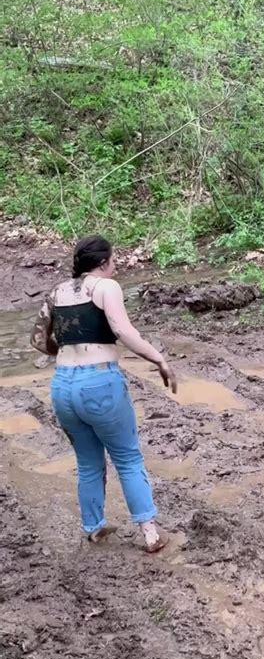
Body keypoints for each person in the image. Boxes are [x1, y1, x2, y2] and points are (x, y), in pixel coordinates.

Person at [30, 235, 177, 553]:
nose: (116, 266)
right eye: (113, 260)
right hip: (99, 383)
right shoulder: (106, 287)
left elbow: (39, 339)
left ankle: (94, 527)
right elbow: (124, 331)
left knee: (87, 462)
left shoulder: (57, 292)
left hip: (62, 386)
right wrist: (159, 359)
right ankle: (150, 532)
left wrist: (68, 351)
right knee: (127, 457)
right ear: (102, 263)